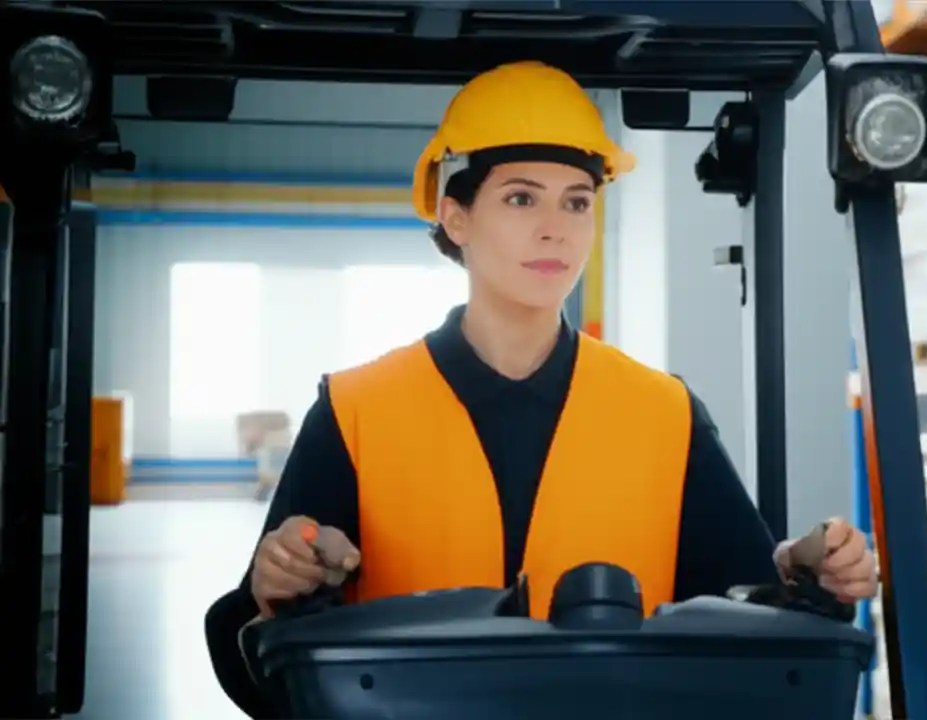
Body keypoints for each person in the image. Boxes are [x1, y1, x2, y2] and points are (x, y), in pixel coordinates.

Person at [204, 60, 878, 718]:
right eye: (521, 197)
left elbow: (740, 617)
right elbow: (261, 654)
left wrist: (801, 575)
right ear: (456, 216)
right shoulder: (358, 411)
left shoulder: (662, 413)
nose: (556, 226)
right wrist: (278, 583)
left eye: (577, 201)